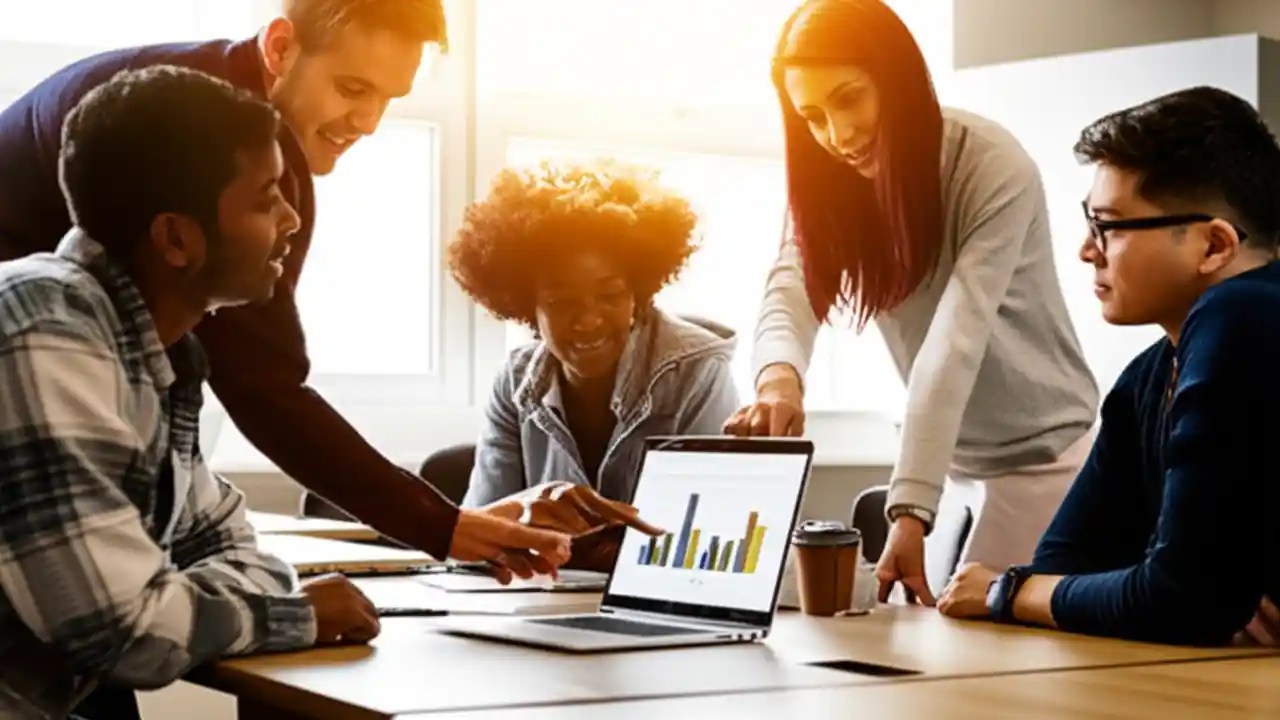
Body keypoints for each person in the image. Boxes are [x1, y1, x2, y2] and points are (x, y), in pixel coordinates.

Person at [0, 0, 599, 578]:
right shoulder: (194, 128)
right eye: (352, 88)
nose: (369, 123)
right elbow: (263, 384)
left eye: (388, 99)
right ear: (281, 47)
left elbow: (249, 375)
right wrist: (442, 526)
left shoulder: (246, 142)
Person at [0, 66, 382, 720]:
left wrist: (180, 597)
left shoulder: (156, 353)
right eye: (265, 200)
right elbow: (123, 631)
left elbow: (236, 549)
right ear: (176, 237)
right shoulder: (44, 325)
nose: (291, 220)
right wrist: (292, 617)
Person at [722, 0, 1099, 603]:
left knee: (985, 640)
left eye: (849, 98)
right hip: (951, 460)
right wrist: (778, 382)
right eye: (813, 116)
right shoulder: (832, 179)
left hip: (1047, 459)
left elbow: (953, 342)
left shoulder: (990, 164)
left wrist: (910, 509)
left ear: (895, 80)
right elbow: (791, 284)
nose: (838, 135)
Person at [937, 86, 1280, 646]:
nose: (1087, 249)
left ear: (1214, 246)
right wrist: (1051, 593)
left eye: (1109, 226)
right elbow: (1064, 567)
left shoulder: (1245, 313)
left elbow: (1182, 599)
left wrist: (1006, 592)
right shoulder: (1148, 376)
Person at [449, 160, 739, 569]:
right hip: (545, 599)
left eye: (610, 296)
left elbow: (702, 543)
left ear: (638, 293)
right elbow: (476, 545)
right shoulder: (514, 382)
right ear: (527, 307)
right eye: (561, 302)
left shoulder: (696, 373)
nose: (588, 320)